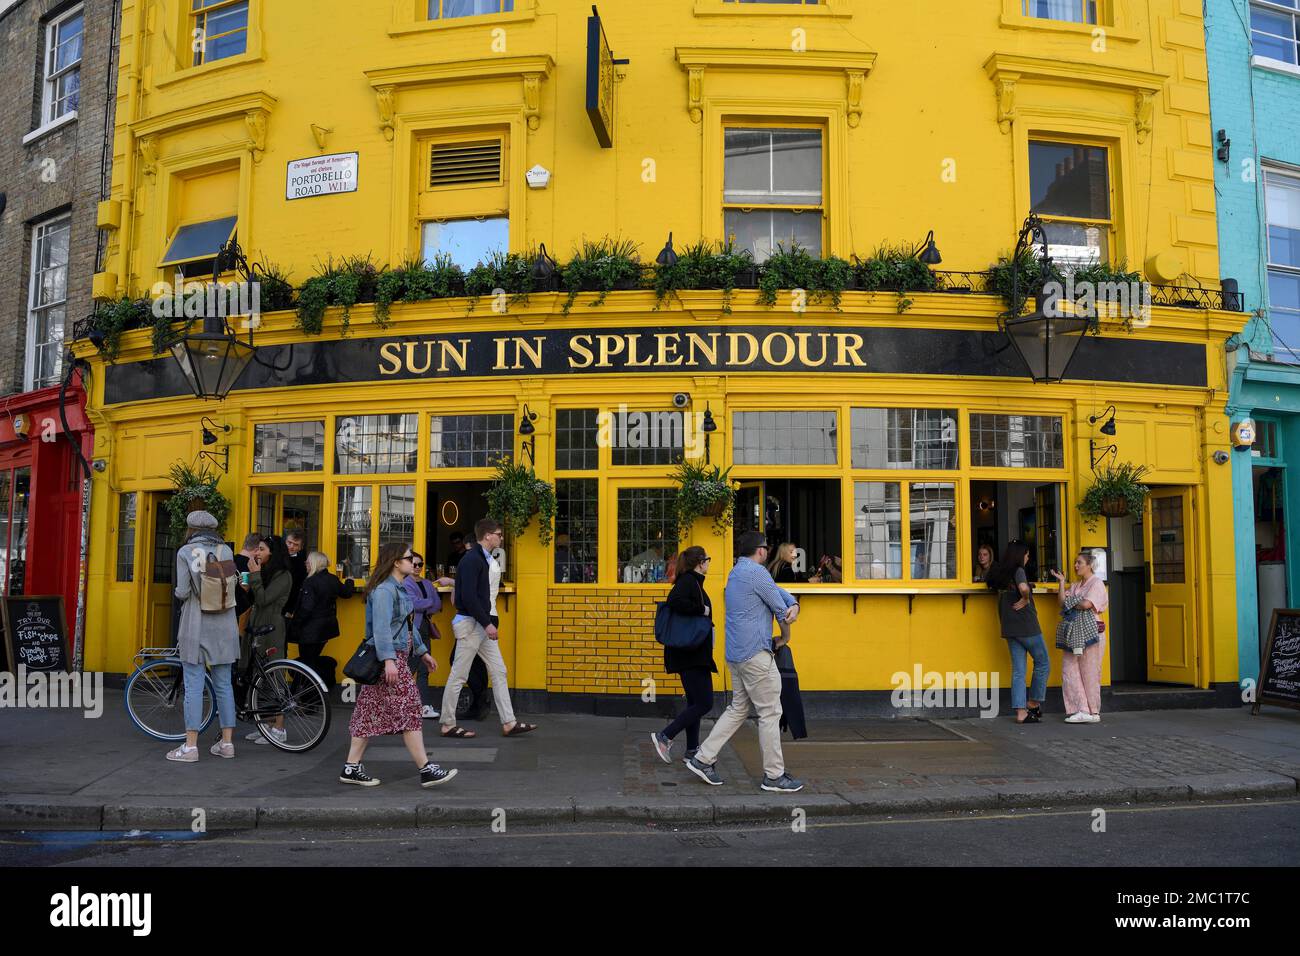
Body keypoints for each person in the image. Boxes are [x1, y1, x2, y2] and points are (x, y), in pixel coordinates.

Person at [685, 531, 804, 793]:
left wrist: (793, 602)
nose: (768, 551)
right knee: (771, 712)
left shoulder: (737, 572)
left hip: (736, 656)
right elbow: (779, 610)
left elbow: (775, 591)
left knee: (738, 708)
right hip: (756, 656)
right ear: (761, 551)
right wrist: (785, 637)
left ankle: (703, 758)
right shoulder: (757, 573)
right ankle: (774, 776)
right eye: (767, 548)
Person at [340, 543, 457, 788]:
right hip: (389, 661)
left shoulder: (400, 588)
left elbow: (406, 624)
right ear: (395, 562)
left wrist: (422, 652)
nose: (413, 563)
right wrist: (389, 661)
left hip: (396, 659)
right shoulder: (384, 591)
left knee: (368, 713)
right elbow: (382, 629)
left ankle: (351, 767)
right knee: (412, 709)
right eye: (408, 558)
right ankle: (426, 769)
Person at [440, 517, 537, 739]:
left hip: (480, 625)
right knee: (459, 673)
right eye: (499, 534)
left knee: (499, 671)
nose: (501, 538)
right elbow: (469, 596)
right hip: (473, 625)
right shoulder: (473, 559)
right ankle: (447, 723)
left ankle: (509, 722)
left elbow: (471, 593)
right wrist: (487, 623)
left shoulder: (479, 559)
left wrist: (486, 623)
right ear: (487, 536)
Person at [166, 511, 240, 762]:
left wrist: (180, 591)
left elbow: (183, 591)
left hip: (197, 624)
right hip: (225, 624)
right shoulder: (226, 552)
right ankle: (227, 744)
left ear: (191, 529)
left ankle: (190, 747)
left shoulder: (185, 552)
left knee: (194, 685)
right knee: (224, 684)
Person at [649, 546, 716, 765]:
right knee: (705, 703)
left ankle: (691, 749)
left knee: (695, 703)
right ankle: (665, 736)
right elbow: (675, 601)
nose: (708, 563)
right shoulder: (689, 581)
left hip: (692, 653)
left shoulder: (693, 581)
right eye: (707, 559)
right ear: (700, 562)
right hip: (691, 654)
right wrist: (702, 610)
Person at [985, 540, 1049, 724]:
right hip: (1026, 625)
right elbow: (1022, 588)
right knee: (1043, 661)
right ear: (1021, 555)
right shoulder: (1018, 570)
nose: (1028, 557)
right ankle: (1033, 703)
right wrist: (1026, 597)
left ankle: (1021, 713)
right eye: (1027, 554)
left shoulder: (1000, 573)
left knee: (1019, 670)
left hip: (1009, 627)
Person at [242, 534, 292, 745]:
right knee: (258, 675)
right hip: (258, 626)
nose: (257, 553)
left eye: (261, 549)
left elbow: (263, 598)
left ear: (273, 552)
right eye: (257, 549)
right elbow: (257, 597)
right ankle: (264, 724)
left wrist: (254, 576)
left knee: (274, 673)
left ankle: (279, 727)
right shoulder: (268, 572)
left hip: (271, 628)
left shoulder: (283, 575)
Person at [1052, 551, 1110, 724]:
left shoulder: (1097, 584)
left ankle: (1093, 711)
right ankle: (1080, 708)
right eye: (1075, 563)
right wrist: (1062, 583)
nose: (1076, 566)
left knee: (1090, 671)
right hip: (1074, 632)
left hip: (1092, 633)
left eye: (1079, 563)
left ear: (1089, 565)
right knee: (1069, 669)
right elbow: (1062, 603)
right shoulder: (1076, 585)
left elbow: (1087, 604)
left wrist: (1073, 602)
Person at [293, 551, 356, 688]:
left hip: (310, 631)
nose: (306, 564)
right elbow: (346, 593)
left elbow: (306, 609)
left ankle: (307, 695)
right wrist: (350, 578)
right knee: (309, 662)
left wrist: (294, 624)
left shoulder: (310, 582)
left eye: (308, 561)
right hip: (326, 630)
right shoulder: (332, 579)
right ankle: (300, 693)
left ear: (314, 563)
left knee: (305, 664)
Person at [403, 551, 453, 719]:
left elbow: (437, 605)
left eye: (420, 565)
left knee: (425, 667)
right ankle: (399, 704)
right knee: (410, 666)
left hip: (425, 626)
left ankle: (423, 705)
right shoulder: (405, 582)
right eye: (414, 564)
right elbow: (413, 604)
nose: (417, 568)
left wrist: (426, 604)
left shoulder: (427, 583)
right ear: (408, 565)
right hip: (412, 627)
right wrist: (429, 602)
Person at [234, 533, 260, 630]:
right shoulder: (250, 565)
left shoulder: (230, 559)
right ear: (256, 550)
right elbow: (245, 588)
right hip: (242, 617)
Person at [284, 529, 308, 627]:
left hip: (287, 606)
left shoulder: (302, 565)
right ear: (285, 541)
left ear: (301, 547)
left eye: (296, 544)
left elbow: (298, 588)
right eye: (289, 542)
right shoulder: (274, 556)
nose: (291, 546)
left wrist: (291, 609)